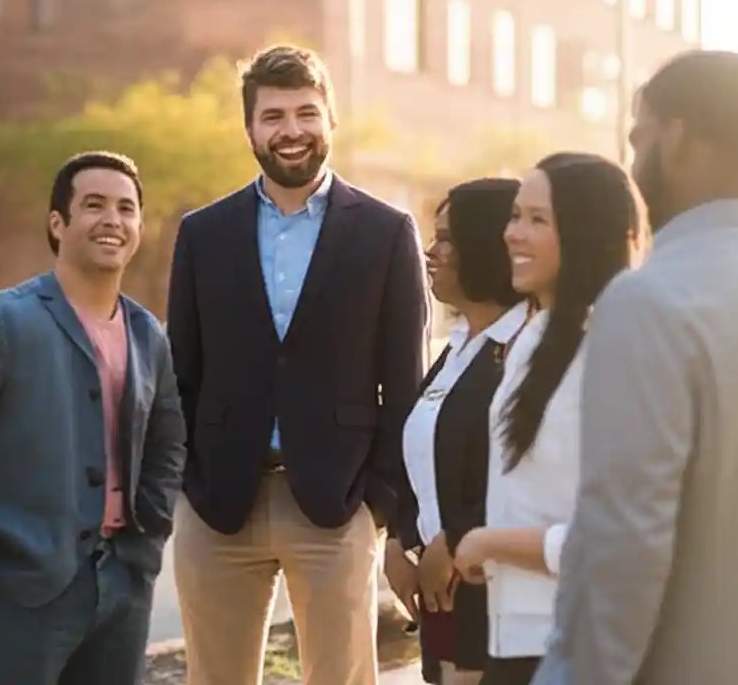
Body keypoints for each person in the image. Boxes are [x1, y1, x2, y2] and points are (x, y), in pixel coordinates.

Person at [531, 50, 738, 685]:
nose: (634, 163)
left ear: (677, 135)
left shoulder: (645, 299)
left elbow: (623, 544)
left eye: (640, 138)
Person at [167, 43, 429, 685]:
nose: (291, 131)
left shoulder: (386, 232)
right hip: (218, 501)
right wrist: (184, 483)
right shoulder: (203, 233)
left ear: (331, 120)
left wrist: (383, 503)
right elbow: (181, 375)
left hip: (336, 501)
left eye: (306, 113)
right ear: (250, 129)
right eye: (273, 116)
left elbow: (404, 384)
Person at [0, 151, 186, 685]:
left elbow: (167, 441)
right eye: (93, 205)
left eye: (126, 208)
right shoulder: (4, 322)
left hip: (123, 587)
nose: (112, 221)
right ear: (58, 223)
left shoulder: (148, 334)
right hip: (18, 592)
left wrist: (150, 534)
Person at [448, 154, 645, 685]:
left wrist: (493, 543)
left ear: (584, 231)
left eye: (537, 219)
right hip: (514, 637)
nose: (513, 233)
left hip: (579, 642)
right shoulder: (534, 338)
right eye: (515, 216)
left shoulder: (615, 343)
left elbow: (620, 531)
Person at [385, 178, 525, 685]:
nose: (431, 250)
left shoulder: (524, 347)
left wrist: (458, 536)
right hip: (441, 596)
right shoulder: (460, 344)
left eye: (447, 239)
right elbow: (420, 451)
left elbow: (522, 472)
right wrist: (400, 539)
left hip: (492, 591)